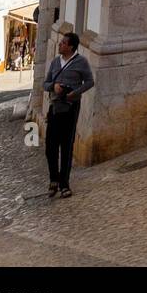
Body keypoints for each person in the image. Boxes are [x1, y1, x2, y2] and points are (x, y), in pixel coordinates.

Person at [43, 32, 94, 198]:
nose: (60, 45)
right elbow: (45, 83)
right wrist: (54, 86)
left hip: (71, 107)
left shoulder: (81, 62)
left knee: (66, 146)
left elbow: (89, 82)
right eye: (61, 42)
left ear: (71, 46)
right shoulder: (55, 62)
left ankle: (64, 184)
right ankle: (53, 180)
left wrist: (75, 93)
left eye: (63, 43)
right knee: (50, 146)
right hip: (55, 107)